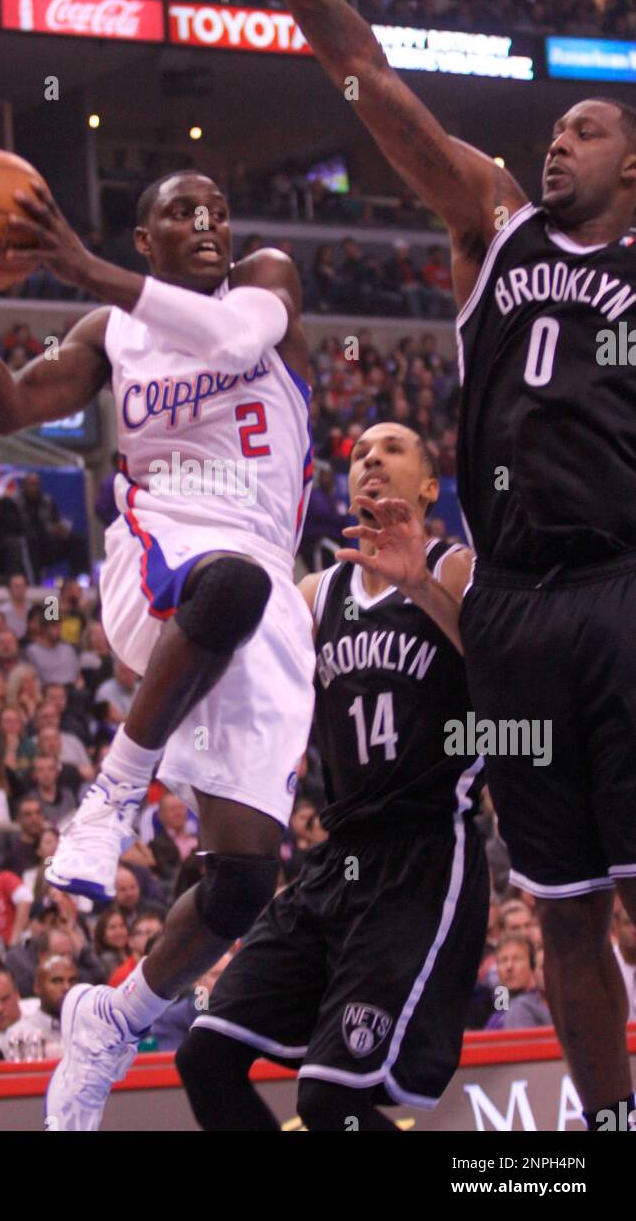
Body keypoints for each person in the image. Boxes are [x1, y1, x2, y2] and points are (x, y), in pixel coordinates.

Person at [199, 0, 636, 1134]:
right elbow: (364, 72)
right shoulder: (489, 223)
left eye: (587, 126)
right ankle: (608, 1124)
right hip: (508, 598)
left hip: (617, 579)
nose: (556, 143)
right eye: (552, 126)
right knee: (559, 903)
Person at [0, 161, 316, 1132]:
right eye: (181, 211)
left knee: (242, 878)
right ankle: (111, 793)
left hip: (264, 590)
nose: (207, 221)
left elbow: (232, 333)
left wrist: (81, 265)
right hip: (158, 553)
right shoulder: (110, 333)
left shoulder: (264, 280)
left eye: (216, 206)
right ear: (146, 238)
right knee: (225, 580)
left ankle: (113, 1017)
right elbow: (10, 408)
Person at [178, 420, 488, 1132]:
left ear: (429, 486)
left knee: (330, 1100)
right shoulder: (318, 590)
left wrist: (422, 587)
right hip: (336, 860)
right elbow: (250, 685)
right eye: (358, 454)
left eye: (392, 448)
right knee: (203, 1056)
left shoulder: (456, 570)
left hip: (424, 856)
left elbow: (509, 674)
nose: (370, 459)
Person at [13, 955, 77, 1060]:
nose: (67, 987)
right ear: (37, 987)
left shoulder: (88, 1028)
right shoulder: (21, 1033)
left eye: (72, 980)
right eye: (57, 981)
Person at [485, 935, 553, 1030]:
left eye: (517, 959)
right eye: (503, 960)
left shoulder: (526, 1007)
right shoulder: (498, 1015)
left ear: (532, 964)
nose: (509, 966)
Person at [108, 912, 165, 989]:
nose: (154, 938)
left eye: (158, 933)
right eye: (148, 932)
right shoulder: (123, 977)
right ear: (131, 941)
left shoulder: (168, 970)